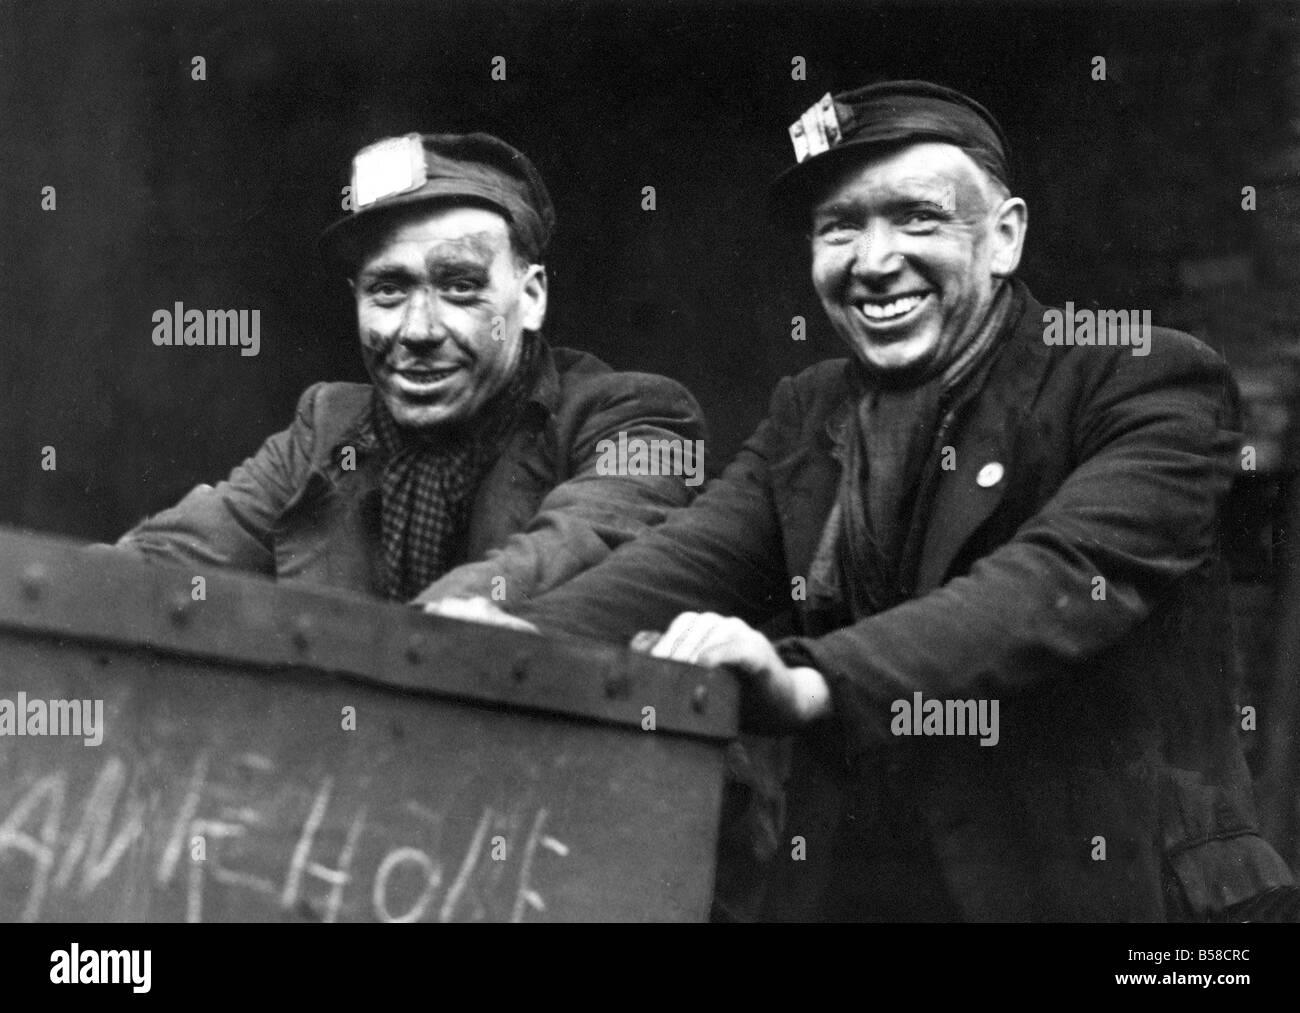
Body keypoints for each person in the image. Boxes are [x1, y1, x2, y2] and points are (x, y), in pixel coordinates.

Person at [513, 81, 1296, 920]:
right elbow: (687, 560)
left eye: (918, 218)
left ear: (1005, 238)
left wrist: (811, 682)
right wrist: (506, 637)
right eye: (839, 227)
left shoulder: (1141, 374)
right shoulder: (810, 410)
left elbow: (1054, 580)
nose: (874, 260)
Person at [110, 132, 705, 611]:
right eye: (389, 290)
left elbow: (588, 538)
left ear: (531, 298)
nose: (418, 330)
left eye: (460, 287)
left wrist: (419, 634)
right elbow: (166, 559)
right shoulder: (325, 428)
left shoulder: (638, 417)